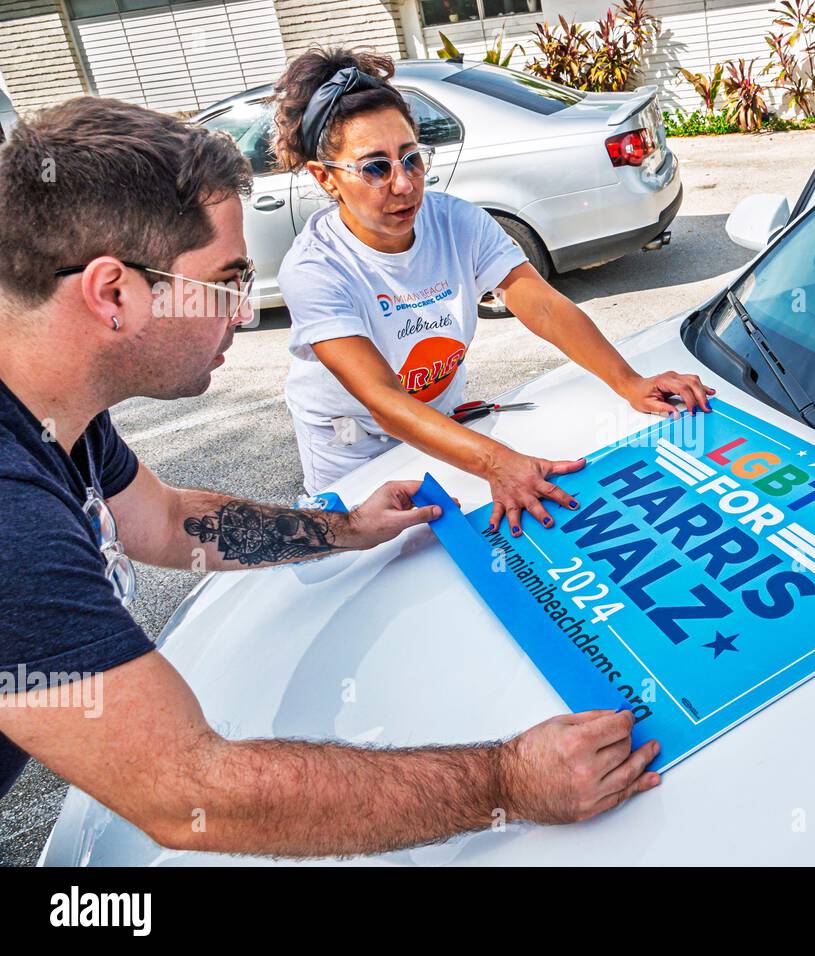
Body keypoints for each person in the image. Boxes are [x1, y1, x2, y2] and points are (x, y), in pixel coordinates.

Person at [0, 97, 658, 857]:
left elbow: (166, 521)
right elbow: (188, 793)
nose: (244, 317)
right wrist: (509, 782)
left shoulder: (56, 410)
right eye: (228, 281)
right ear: (113, 293)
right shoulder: (12, 520)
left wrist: (344, 528)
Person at [273, 48, 714, 535]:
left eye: (412, 159)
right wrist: (498, 463)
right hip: (354, 450)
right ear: (325, 178)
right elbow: (382, 399)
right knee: (376, 560)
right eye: (374, 168)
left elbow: (542, 305)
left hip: (441, 429)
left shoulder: (457, 221)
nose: (403, 184)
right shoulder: (315, 268)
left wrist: (628, 382)